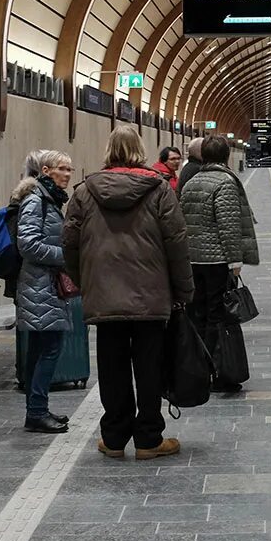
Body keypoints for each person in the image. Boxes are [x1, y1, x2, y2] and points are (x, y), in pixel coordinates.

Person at [64, 126, 194, 460]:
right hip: (151, 297)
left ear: (108, 150)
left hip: (105, 296)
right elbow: (176, 243)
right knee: (150, 367)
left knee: (111, 367)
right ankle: (149, 439)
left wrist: (85, 282)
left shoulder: (84, 192)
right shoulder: (160, 189)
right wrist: (183, 289)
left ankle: (114, 438)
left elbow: (70, 245)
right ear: (140, 150)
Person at [179, 134, 259, 392]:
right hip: (216, 262)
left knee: (197, 314)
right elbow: (228, 225)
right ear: (226, 156)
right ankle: (220, 372)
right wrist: (235, 260)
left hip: (193, 261)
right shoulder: (224, 182)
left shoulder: (192, 181)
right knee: (218, 316)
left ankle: (199, 371)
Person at [14, 149, 75, 434]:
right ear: (46, 171)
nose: (68, 175)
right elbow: (27, 244)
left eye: (70, 170)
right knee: (50, 348)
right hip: (39, 284)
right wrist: (64, 255)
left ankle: (36, 408)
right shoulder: (35, 200)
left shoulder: (48, 200)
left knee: (40, 349)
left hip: (44, 284)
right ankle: (36, 412)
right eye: (63, 169)